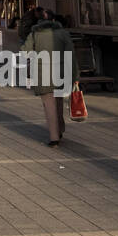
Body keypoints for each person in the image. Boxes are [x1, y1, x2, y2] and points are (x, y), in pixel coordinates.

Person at [19, 8, 78, 147]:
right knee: (58, 102)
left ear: (40, 21)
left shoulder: (35, 34)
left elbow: (24, 51)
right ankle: (60, 128)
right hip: (61, 72)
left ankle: (54, 138)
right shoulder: (63, 33)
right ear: (53, 20)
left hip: (42, 73)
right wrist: (75, 75)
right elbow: (71, 55)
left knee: (49, 105)